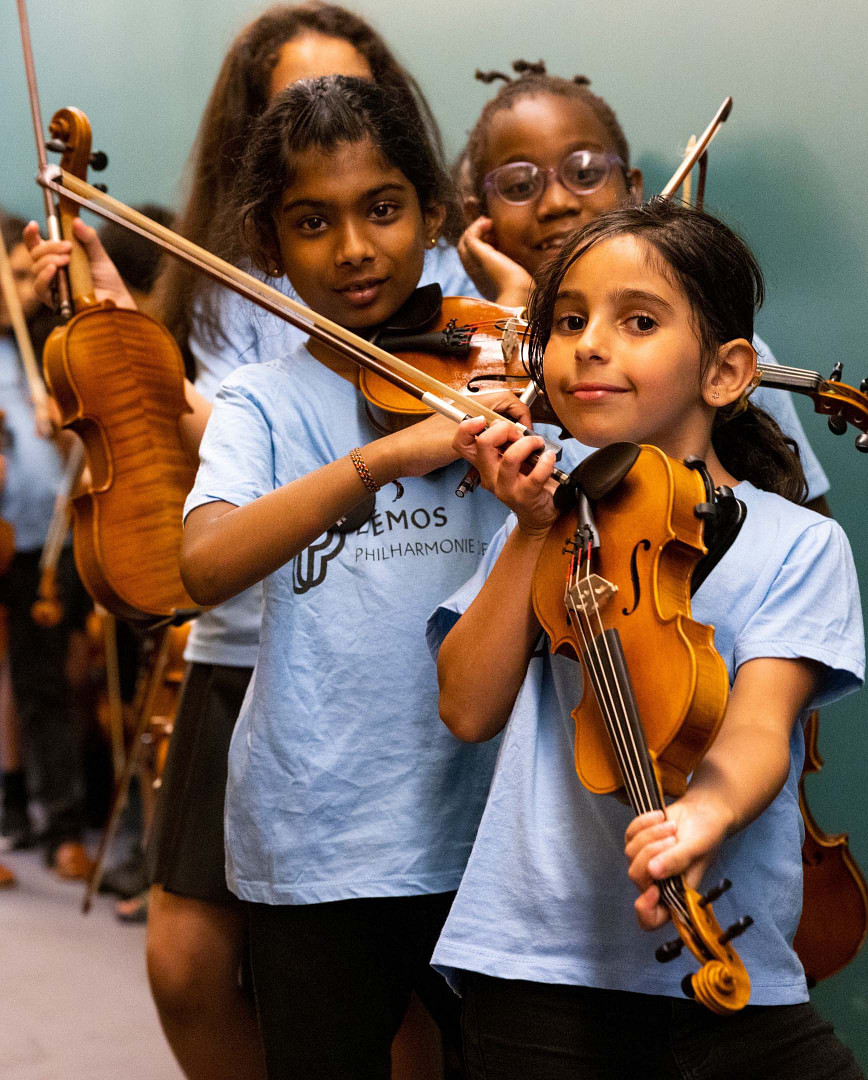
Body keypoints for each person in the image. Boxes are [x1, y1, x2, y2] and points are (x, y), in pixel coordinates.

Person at [25, 7, 470, 1076]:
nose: (354, 245)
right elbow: (201, 489)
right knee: (200, 964)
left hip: (426, 677)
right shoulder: (229, 298)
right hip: (259, 653)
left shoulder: (462, 304)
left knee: (427, 1003)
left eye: (355, 97)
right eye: (294, 108)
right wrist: (116, 341)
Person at [434, 203, 866, 1078]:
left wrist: (704, 811)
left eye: (637, 321)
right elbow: (467, 707)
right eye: (568, 321)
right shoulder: (542, 519)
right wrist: (527, 530)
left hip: (730, 964)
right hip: (535, 965)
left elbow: (758, 726)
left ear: (726, 372)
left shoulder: (800, 543)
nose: (590, 344)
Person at [176, 74, 519, 1079]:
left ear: (434, 213)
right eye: (312, 223)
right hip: (322, 830)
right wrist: (386, 458)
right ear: (270, 247)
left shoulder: (502, 369)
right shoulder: (262, 405)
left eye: (382, 209)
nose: (356, 249)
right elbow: (205, 562)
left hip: (496, 822)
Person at [453, 59, 832, 513]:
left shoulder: (714, 350)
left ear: (633, 190)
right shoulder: (466, 361)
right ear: (480, 216)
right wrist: (516, 303)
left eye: (586, 171)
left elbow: (799, 519)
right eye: (519, 184)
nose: (555, 202)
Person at [0, 214, 93, 882]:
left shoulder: (52, 344)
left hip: (44, 540)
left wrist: (56, 429)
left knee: (44, 683)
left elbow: (83, 445)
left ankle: (62, 822)